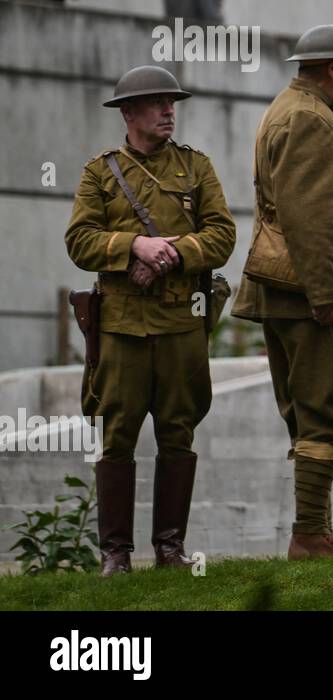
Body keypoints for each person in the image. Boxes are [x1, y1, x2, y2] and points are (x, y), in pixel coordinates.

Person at [65, 66, 236, 575]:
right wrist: (133, 244)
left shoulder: (196, 167)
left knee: (178, 432)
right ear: (129, 112)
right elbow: (79, 240)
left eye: (171, 103)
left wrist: (175, 251)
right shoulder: (101, 172)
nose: (168, 111)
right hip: (120, 328)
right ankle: (115, 553)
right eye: (157, 103)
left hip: (182, 322)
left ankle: (170, 548)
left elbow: (223, 235)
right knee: (116, 435)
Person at [231, 24, 333, 560]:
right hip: (309, 291)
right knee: (325, 407)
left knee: (311, 409)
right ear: (331, 67)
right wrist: (325, 292)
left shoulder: (294, 109)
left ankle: (317, 531)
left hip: (292, 289)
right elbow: (309, 216)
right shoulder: (310, 118)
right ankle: (310, 534)